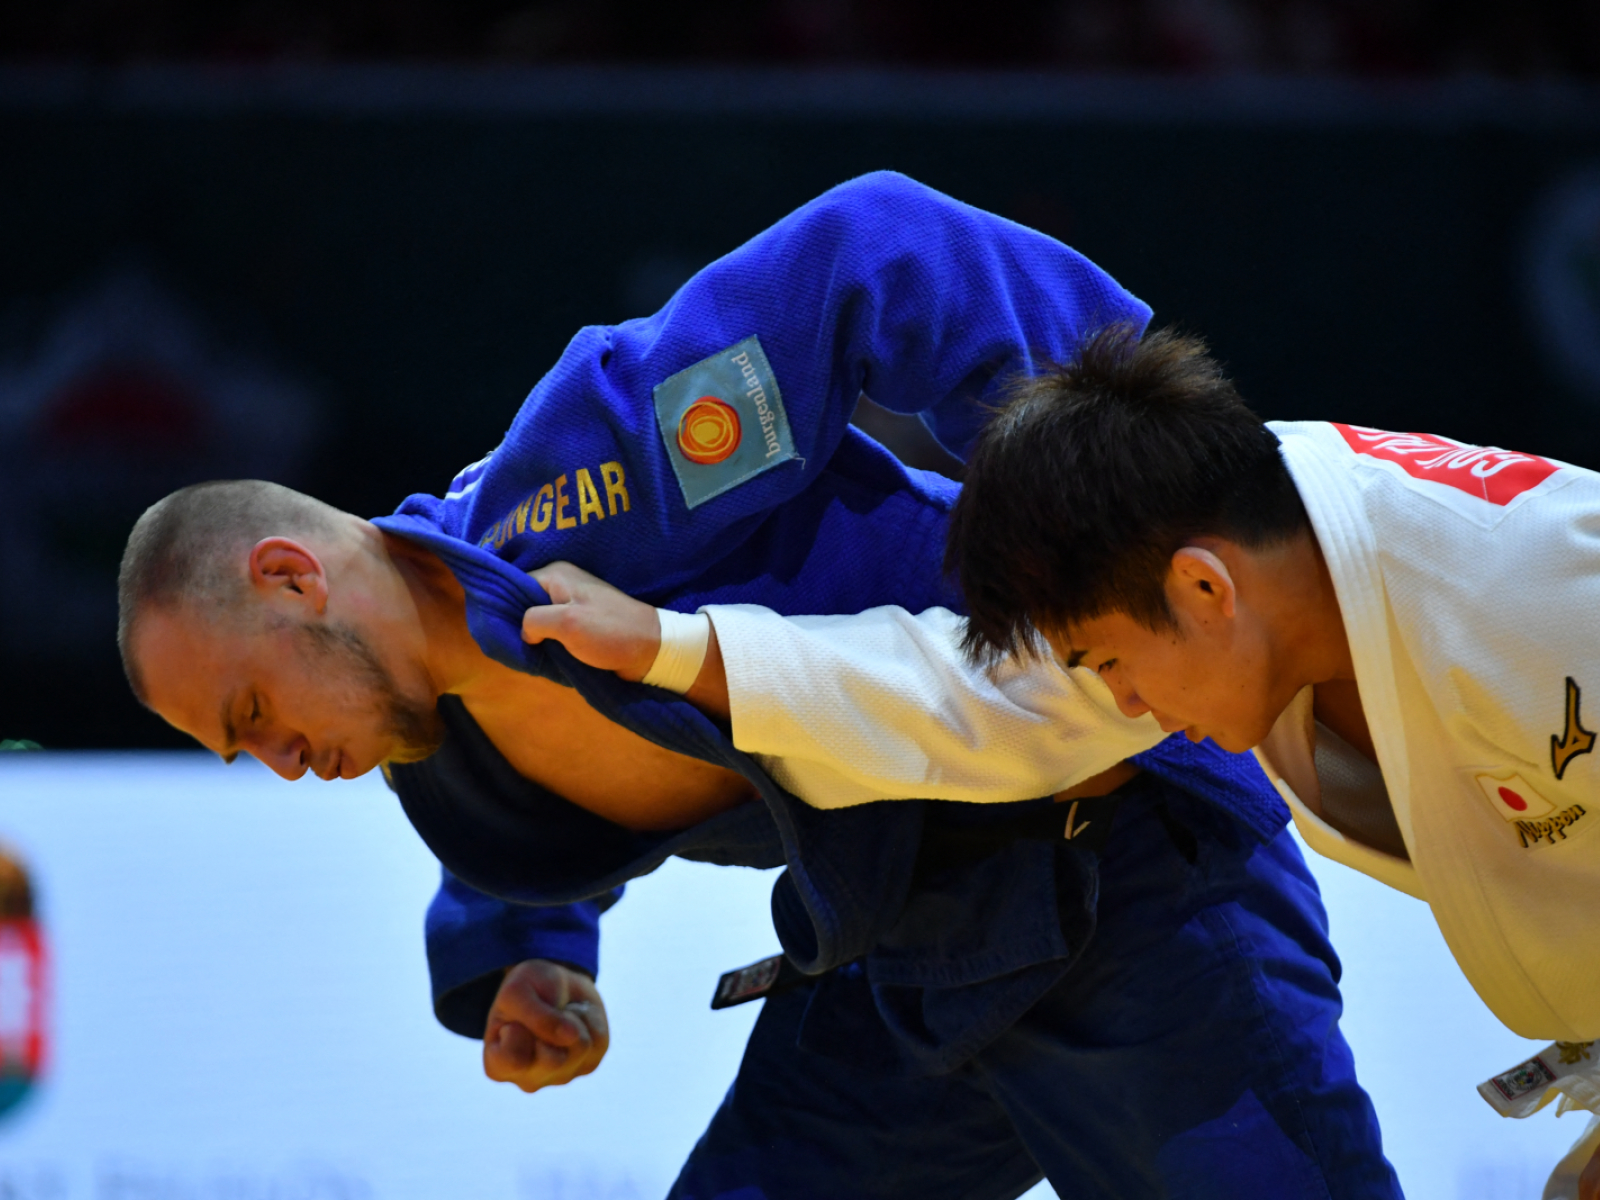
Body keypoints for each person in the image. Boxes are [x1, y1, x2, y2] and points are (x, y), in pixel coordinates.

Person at [117, 173, 1399, 1198]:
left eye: (252, 713)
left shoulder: (592, 477)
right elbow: (518, 789)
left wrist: (1138, 509)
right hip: (901, 946)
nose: (279, 761)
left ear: (292, 577)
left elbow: (880, 244)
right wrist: (528, 956)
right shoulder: (438, 748)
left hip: (1126, 862)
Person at [577, 323, 1600, 1194]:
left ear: (1205, 593)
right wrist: (674, 649)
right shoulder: (1217, 540)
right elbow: (971, 688)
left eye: (1110, 663)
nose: (1122, 701)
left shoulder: (1543, 587)